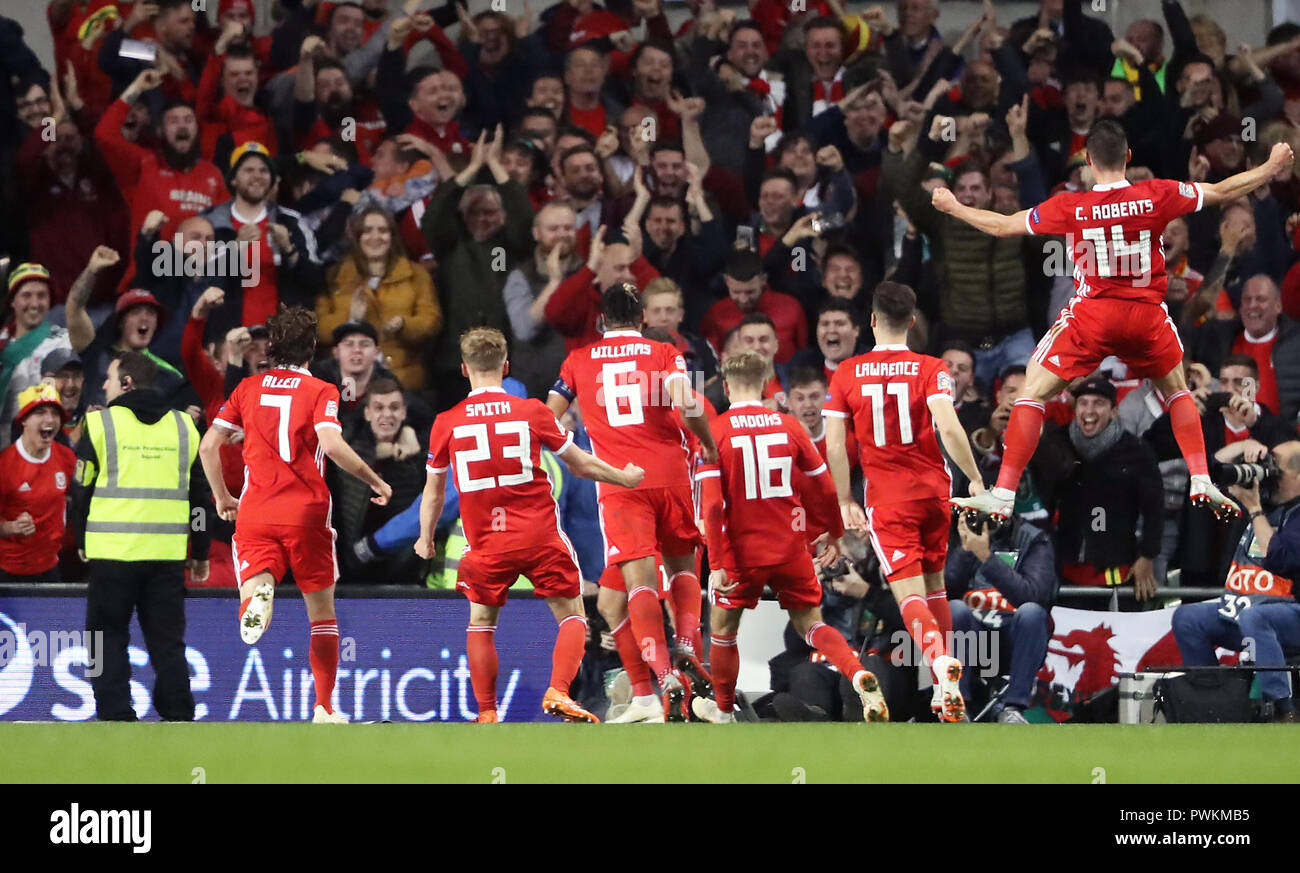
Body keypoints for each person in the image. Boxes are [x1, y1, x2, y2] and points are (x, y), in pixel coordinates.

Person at [935, 118, 1295, 523]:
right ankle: (1200, 478)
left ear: (1088, 160)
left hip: (1094, 314)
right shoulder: (1157, 194)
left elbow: (1002, 226)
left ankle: (1002, 493)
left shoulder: (1073, 205)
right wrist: (1269, 166)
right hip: (1145, 315)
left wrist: (954, 206)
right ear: (1127, 157)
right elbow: (1222, 190)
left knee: (1032, 392)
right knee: (1176, 390)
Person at [415, 327, 644, 723]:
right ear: (505, 366)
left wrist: (425, 539)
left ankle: (487, 713)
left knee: (482, 622)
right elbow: (580, 462)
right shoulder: (533, 412)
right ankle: (558, 689)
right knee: (572, 616)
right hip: (539, 536)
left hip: (486, 542)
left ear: (464, 370)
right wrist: (623, 477)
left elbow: (434, 492)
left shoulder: (445, 422)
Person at [198, 307, 392, 724]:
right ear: (312, 349)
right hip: (307, 512)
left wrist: (222, 497)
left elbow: (208, 446)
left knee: (256, 576)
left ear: (269, 347)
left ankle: (259, 595)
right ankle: (323, 707)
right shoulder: (322, 390)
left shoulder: (247, 389)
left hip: (256, 508)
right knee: (322, 614)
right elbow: (333, 445)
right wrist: (374, 479)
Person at [547, 283, 718, 722]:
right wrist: (707, 441)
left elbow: (550, 419)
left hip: (621, 484)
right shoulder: (662, 352)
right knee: (622, 595)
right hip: (671, 475)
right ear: (643, 317)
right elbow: (685, 401)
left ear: (601, 320)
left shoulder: (578, 360)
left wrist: (580, 459)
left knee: (638, 583)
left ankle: (664, 678)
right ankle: (670, 663)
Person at [693, 349, 888, 724]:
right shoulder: (790, 427)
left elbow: (714, 507)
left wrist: (715, 563)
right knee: (810, 624)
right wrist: (832, 535)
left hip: (740, 554)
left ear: (729, 387)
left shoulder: (715, 433)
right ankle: (856, 671)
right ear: (767, 384)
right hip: (789, 550)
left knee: (722, 629)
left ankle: (721, 710)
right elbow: (826, 490)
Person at [824, 281, 989, 722]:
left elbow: (837, 446)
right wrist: (973, 478)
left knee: (909, 594)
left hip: (889, 500)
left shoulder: (846, 374)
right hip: (935, 494)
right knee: (936, 587)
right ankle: (943, 688)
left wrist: (843, 499)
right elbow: (950, 427)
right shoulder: (932, 368)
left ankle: (938, 662)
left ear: (872, 322)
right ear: (912, 322)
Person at [72, 351, 210, 721]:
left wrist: (80, 538)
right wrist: (200, 551)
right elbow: (200, 498)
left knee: (104, 638)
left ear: (127, 383)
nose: (104, 384)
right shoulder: (184, 427)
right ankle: (179, 712)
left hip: (112, 555)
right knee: (167, 642)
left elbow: (81, 488)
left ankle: (114, 712)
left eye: (111, 377)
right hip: (165, 557)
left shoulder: (101, 425)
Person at [1172, 440, 1300, 722]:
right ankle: (1209, 698)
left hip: (1290, 615)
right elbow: (1205, 474)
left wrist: (1254, 510)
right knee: (1188, 617)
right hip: (1247, 611)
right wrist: (1245, 449)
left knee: (1256, 618)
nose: (1269, 473)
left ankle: (1282, 709)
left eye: (1275, 467)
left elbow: (1280, 557)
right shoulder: (1263, 501)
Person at [945, 514, 1058, 723]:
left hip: (1013, 640)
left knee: (1032, 612)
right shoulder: (956, 532)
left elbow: (1033, 595)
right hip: (971, 639)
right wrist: (965, 549)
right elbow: (943, 590)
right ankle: (957, 706)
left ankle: (1013, 707)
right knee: (954, 609)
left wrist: (987, 557)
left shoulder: (1034, 539)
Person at [317, 206, 442, 391]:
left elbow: (431, 320)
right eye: (367, 230)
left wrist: (404, 324)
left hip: (403, 381)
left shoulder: (416, 274)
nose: (375, 237)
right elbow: (319, 329)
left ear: (392, 236)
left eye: (383, 230)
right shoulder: (335, 276)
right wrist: (350, 318)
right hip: (349, 385)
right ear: (357, 236)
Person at [0, 385, 77, 583]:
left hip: (51, 567)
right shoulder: (5, 465)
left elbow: (72, 498)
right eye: (40, 412)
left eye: (54, 413)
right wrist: (11, 527)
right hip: (8, 573)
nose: (50, 420)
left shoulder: (65, 457)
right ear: (24, 420)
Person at [0, 263, 75, 448]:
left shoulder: (63, 340)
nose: (34, 303)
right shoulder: (2, 341)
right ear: (13, 301)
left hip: (46, 446)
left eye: (41, 296)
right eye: (26, 295)